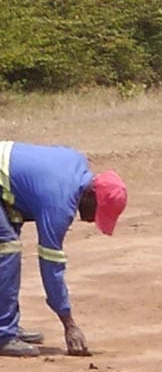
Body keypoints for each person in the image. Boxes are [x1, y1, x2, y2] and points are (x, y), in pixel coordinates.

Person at [0, 141, 127, 357]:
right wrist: (69, 324)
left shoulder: (76, 162)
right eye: (96, 212)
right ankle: (4, 335)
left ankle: (6, 322)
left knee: (11, 230)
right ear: (91, 195)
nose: (90, 220)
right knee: (8, 248)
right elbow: (51, 268)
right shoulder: (60, 203)